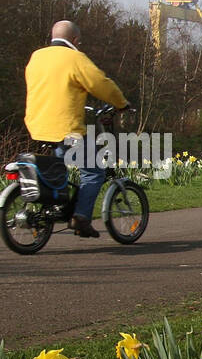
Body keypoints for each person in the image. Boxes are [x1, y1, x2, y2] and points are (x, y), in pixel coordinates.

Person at [24, 20, 129, 238]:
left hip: (38, 125)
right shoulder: (74, 58)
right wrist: (121, 103)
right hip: (66, 128)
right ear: (75, 40)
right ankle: (81, 217)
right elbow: (100, 84)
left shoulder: (37, 56)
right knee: (93, 172)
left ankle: (58, 207)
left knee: (58, 169)